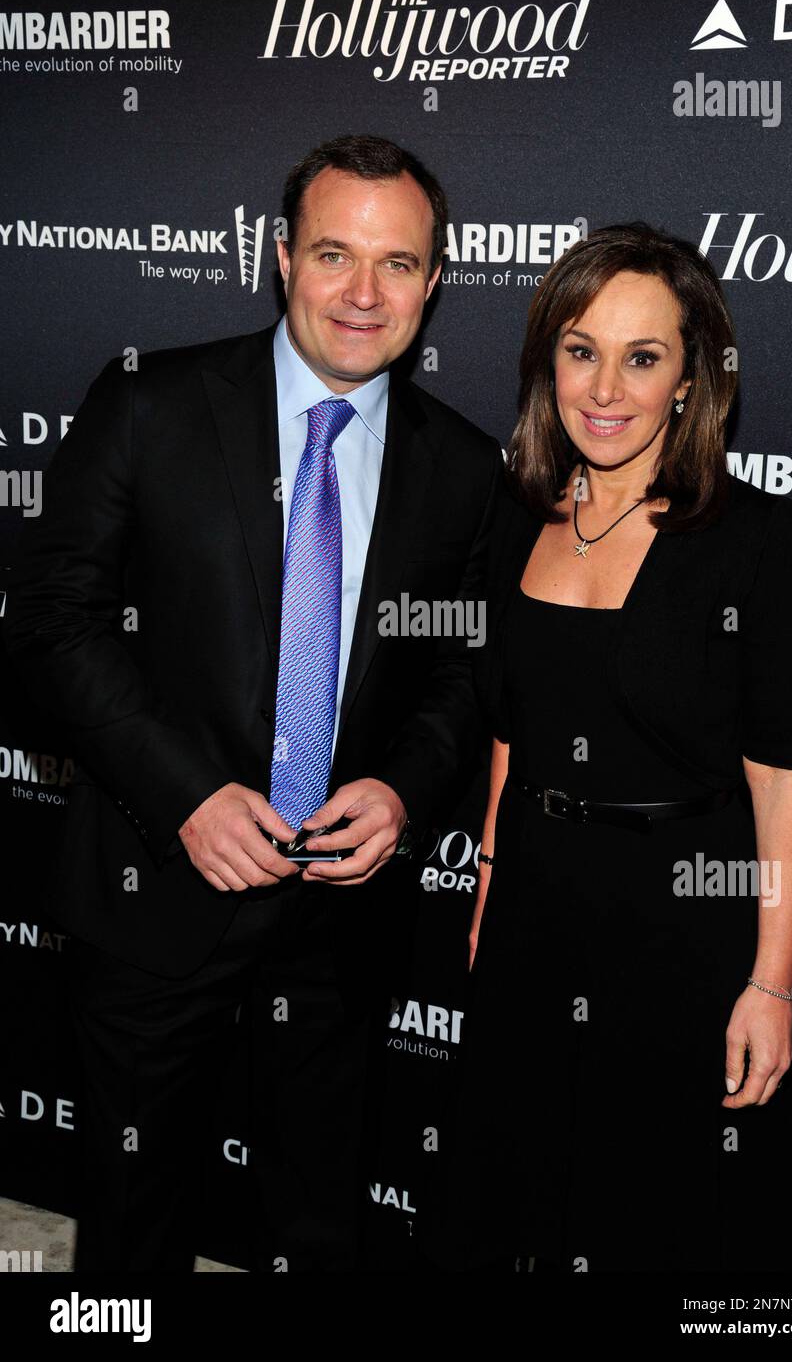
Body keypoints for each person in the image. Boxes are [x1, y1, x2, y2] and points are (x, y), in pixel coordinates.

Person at [3, 134, 504, 1271]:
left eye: (397, 263)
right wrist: (186, 797)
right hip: (152, 890)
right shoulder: (150, 404)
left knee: (320, 1222)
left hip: (341, 920)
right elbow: (48, 623)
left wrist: (402, 788)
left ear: (435, 280)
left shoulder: (466, 469)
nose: (363, 294)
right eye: (334, 253)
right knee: (130, 1229)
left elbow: (462, 668)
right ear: (281, 259)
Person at [417, 221, 792, 1273]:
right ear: (546, 358)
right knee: (516, 1194)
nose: (606, 387)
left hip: (681, 922)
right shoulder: (516, 517)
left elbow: (784, 785)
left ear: (690, 379)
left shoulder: (757, 542)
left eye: (642, 357)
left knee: (663, 1211)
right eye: (580, 349)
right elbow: (510, 731)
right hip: (533, 912)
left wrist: (770, 986)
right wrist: (487, 890)